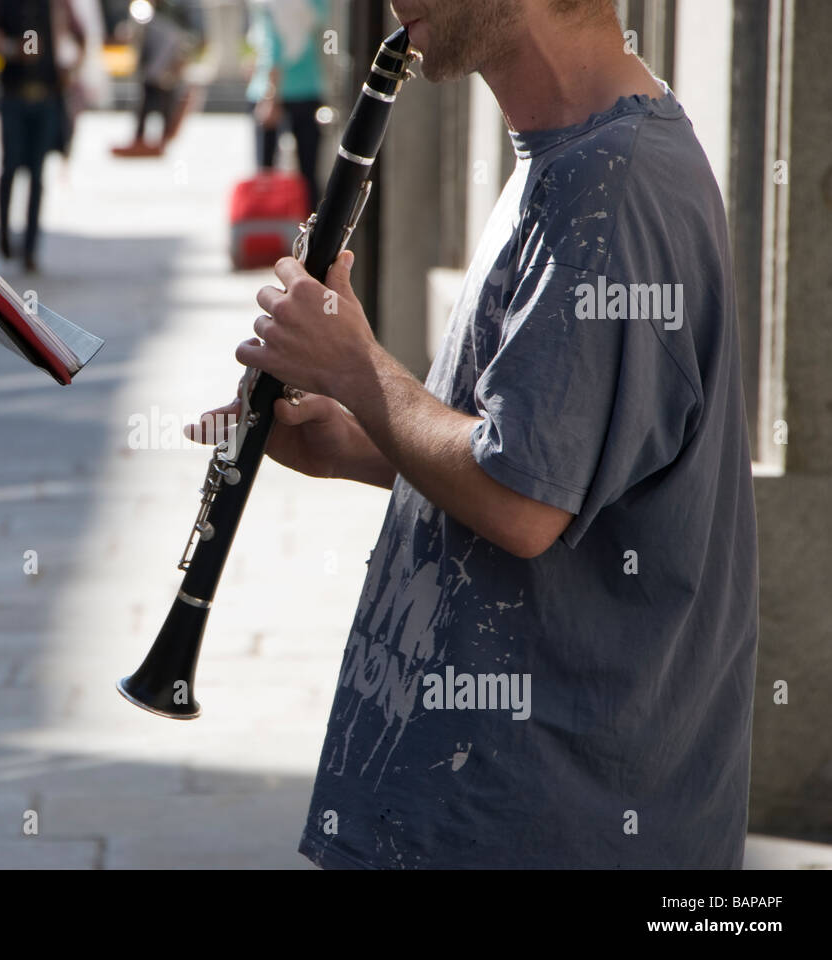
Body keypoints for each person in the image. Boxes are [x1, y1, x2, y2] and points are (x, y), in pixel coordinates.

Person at [190, 0, 758, 868]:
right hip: (477, 805)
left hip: (544, 821)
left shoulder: (616, 186)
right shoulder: (563, 153)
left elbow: (525, 503)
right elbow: (546, 457)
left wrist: (359, 366)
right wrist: (358, 439)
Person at [0, 0, 85, 274]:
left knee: (36, 173)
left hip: (46, 96)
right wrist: (11, 48)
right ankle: (5, 236)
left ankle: (31, 247)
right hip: (14, 94)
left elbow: (80, 36)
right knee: (9, 168)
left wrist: (70, 67)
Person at [246, 0, 328, 211]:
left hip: (270, 91)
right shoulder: (314, 4)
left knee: (266, 175)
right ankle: (313, 233)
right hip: (308, 88)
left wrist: (271, 97)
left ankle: (268, 227)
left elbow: (272, 47)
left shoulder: (274, 4)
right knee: (308, 174)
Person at [111, 0, 199, 157]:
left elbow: (166, 47)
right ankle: (143, 139)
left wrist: (160, 72)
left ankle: (157, 139)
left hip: (159, 72)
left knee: (157, 106)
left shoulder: (154, 23)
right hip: (158, 71)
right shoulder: (155, 21)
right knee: (149, 107)